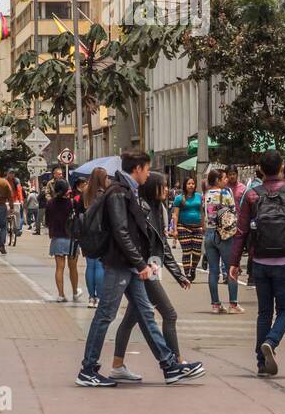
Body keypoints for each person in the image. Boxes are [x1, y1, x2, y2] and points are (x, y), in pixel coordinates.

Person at [75, 150, 204, 388]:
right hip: (119, 264)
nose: (148, 174)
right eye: (146, 169)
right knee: (105, 315)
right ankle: (88, 368)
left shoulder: (127, 191)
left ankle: (169, 366)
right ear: (137, 169)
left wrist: (140, 264)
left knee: (145, 314)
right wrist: (141, 264)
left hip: (129, 265)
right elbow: (121, 232)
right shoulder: (119, 193)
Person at [229, 149, 285, 378]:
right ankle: (271, 342)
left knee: (264, 312)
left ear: (261, 169)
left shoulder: (252, 195)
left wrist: (234, 262)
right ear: (282, 167)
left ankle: (261, 364)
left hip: (260, 261)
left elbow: (241, 231)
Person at [110, 172, 192, 382]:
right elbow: (144, 243)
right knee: (169, 314)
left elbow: (162, 245)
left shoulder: (156, 208)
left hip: (151, 267)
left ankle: (117, 365)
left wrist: (177, 274)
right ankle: (177, 363)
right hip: (145, 270)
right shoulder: (143, 209)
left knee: (131, 319)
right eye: (163, 187)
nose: (166, 190)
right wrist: (144, 266)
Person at [201, 169, 241, 315]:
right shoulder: (225, 193)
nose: (226, 180)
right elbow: (233, 212)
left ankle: (216, 305)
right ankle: (233, 304)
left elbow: (204, 214)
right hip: (224, 235)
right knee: (231, 268)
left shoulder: (205, 195)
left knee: (213, 271)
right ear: (218, 180)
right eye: (224, 178)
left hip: (209, 234)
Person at [45, 179, 80, 302]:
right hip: (71, 239)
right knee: (73, 268)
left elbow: (47, 221)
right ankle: (75, 292)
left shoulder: (50, 203)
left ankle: (61, 295)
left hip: (57, 238)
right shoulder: (71, 203)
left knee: (59, 268)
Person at [80, 171, 107, 308]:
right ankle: (100, 297)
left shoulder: (85, 192)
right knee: (99, 266)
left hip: (86, 233)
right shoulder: (103, 194)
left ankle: (91, 297)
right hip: (100, 233)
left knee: (90, 266)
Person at [171, 176, 204, 281]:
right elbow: (175, 215)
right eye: (189, 183)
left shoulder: (199, 197)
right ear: (185, 185)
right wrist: (175, 229)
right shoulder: (179, 198)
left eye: (193, 183)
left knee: (197, 252)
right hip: (183, 227)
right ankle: (187, 274)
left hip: (197, 227)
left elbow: (203, 212)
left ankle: (193, 268)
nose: (191, 185)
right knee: (187, 251)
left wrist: (204, 226)